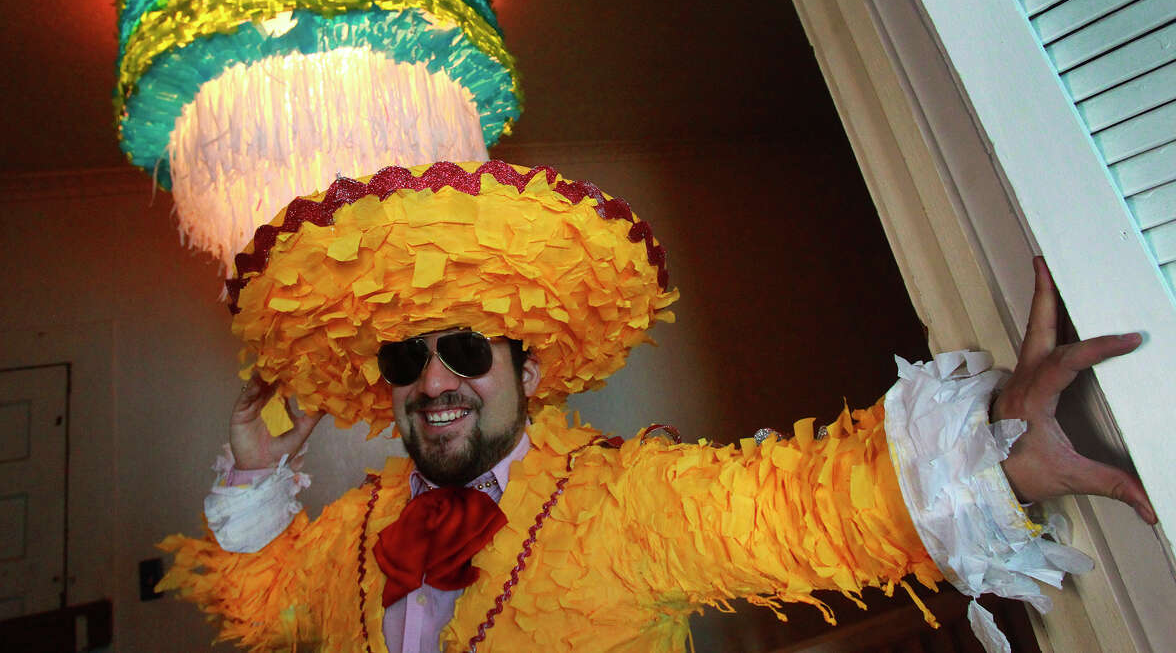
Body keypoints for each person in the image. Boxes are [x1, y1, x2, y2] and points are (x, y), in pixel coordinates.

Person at [159, 160, 1155, 653]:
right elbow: (265, 599)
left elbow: (799, 508)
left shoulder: (624, 500)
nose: (434, 382)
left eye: (465, 349)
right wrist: (253, 462)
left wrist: (995, 446)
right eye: (407, 357)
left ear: (530, 372)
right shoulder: (356, 528)